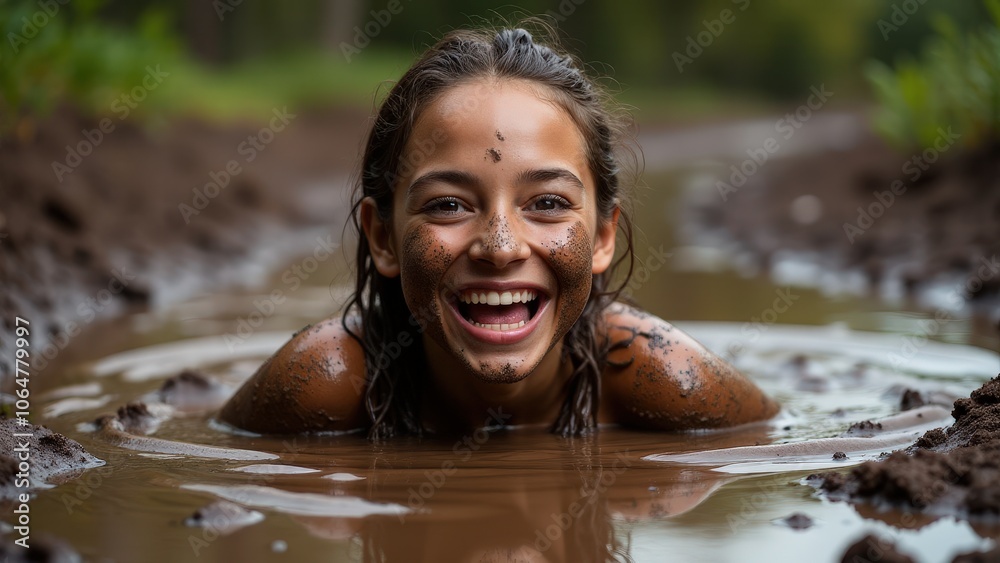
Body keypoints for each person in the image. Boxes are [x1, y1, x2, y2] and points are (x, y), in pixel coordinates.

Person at [220, 24, 779, 440]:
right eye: (447, 205)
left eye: (548, 203)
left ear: (603, 236)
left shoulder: (662, 378)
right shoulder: (324, 382)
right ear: (383, 237)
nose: (502, 247)